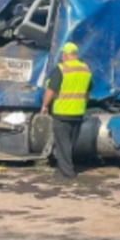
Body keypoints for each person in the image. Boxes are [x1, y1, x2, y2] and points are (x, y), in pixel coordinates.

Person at [40, 42, 91, 179]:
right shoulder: (85, 69)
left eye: (63, 54)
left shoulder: (61, 69)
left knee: (63, 145)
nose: (62, 56)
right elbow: (87, 92)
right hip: (78, 113)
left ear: (66, 55)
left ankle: (67, 174)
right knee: (70, 143)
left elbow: (50, 90)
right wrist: (83, 105)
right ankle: (67, 169)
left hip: (62, 112)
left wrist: (44, 105)